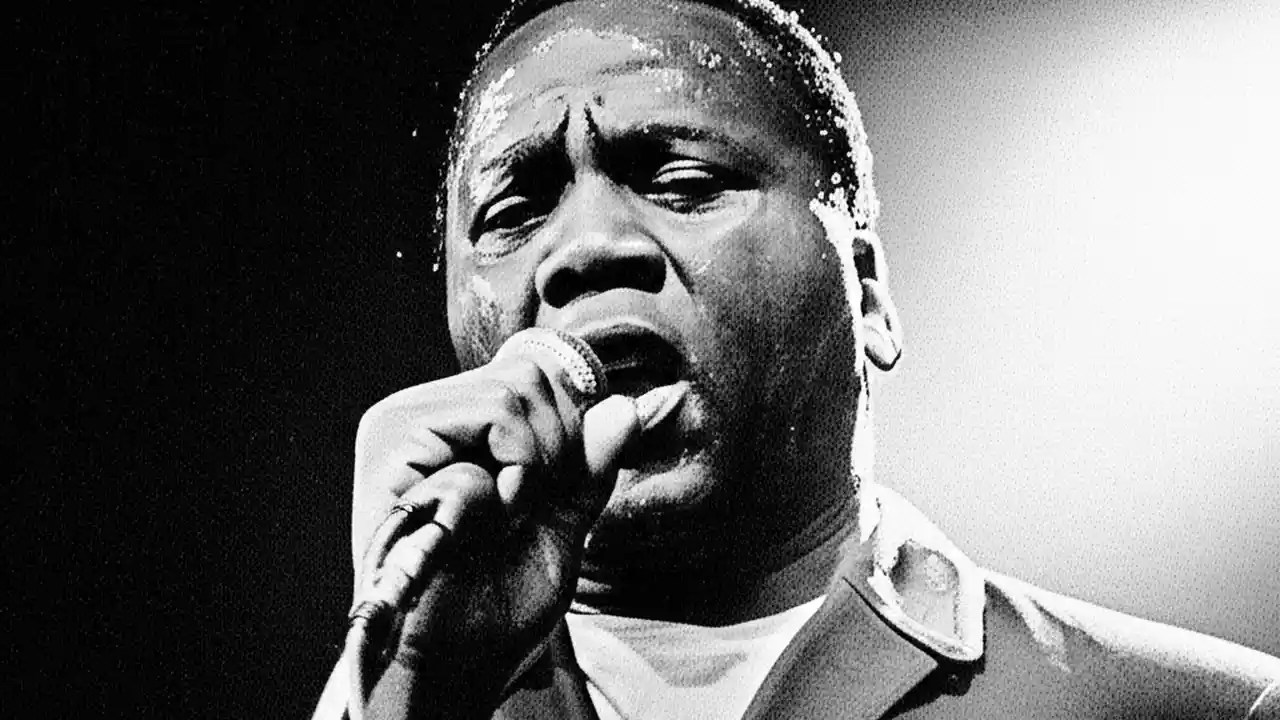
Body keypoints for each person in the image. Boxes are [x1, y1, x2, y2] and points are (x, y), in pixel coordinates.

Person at [314, 0, 1280, 717]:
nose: (584, 250)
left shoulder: (1194, 710)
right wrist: (411, 692)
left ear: (868, 292)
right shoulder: (402, 691)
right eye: (514, 212)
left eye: (684, 180)